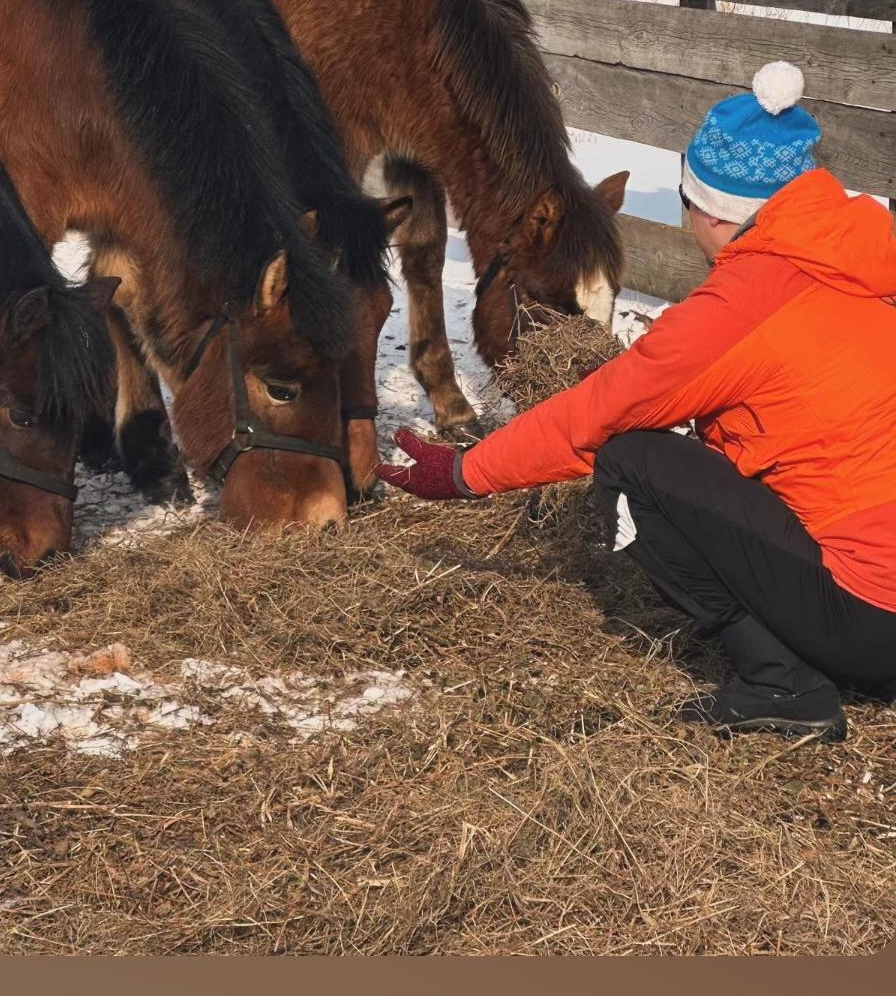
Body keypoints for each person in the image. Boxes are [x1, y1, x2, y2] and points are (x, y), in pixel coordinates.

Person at [379, 62, 896, 741]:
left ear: (712, 211)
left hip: (869, 619)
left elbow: (597, 413)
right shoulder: (864, 259)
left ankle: (780, 682)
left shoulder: (738, 310)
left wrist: (465, 472)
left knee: (633, 462)